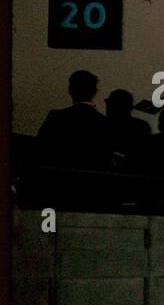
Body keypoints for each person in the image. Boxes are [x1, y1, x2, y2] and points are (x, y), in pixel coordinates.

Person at [34, 69, 110, 211]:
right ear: (94, 91)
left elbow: (40, 150)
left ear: (70, 90)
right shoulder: (104, 123)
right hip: (93, 190)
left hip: (59, 187)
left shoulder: (56, 118)